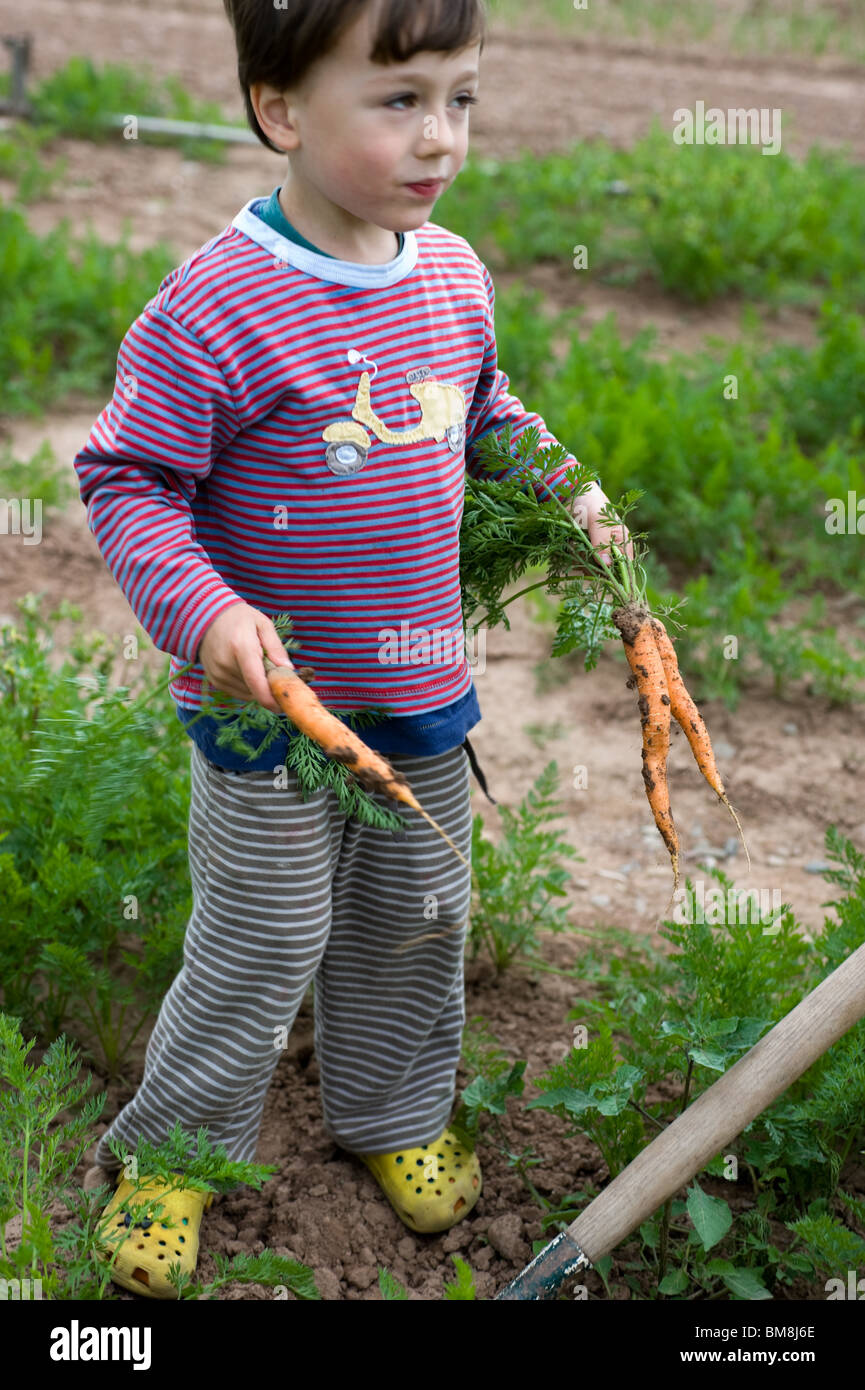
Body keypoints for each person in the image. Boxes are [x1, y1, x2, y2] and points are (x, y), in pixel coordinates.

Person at [72, 0, 632, 1299]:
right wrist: (205, 613)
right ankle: (173, 1151)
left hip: (420, 692)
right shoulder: (219, 302)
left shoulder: (450, 272)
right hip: (274, 710)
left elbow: (487, 412)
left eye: (462, 97)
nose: (440, 136)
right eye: (398, 101)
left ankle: (390, 1112)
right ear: (281, 110)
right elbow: (128, 479)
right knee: (265, 934)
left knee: (414, 917)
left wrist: (574, 497)